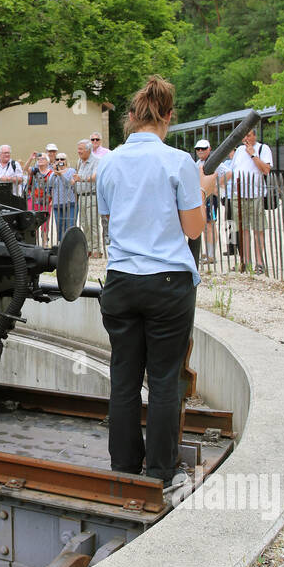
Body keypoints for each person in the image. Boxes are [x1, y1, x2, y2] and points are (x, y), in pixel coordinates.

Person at [95, 75, 205, 495]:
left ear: (131, 117)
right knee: (163, 379)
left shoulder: (109, 163)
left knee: (124, 376)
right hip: (167, 283)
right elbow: (193, 230)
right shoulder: (179, 162)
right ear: (168, 117)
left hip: (121, 280)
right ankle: (160, 470)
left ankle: (123, 465)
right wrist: (203, 191)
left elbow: (112, 217)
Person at [205, 129, 272, 273]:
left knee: (258, 229)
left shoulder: (263, 149)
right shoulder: (239, 151)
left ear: (255, 136)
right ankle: (245, 262)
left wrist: (253, 154)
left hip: (256, 195)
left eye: (249, 135)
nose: (246, 139)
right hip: (238, 195)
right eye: (244, 136)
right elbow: (233, 171)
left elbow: (266, 170)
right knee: (242, 230)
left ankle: (259, 263)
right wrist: (220, 187)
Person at [74, 139, 101, 254]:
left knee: (93, 223)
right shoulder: (79, 162)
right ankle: (88, 248)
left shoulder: (97, 161)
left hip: (92, 196)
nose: (78, 151)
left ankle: (96, 249)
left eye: (81, 149)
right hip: (82, 196)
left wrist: (81, 179)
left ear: (88, 150)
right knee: (84, 223)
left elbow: (95, 176)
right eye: (78, 149)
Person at [45, 149, 78, 243]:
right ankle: (61, 243)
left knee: (70, 224)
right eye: (57, 159)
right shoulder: (53, 173)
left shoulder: (71, 171)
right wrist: (55, 173)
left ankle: (70, 243)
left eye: (62, 159)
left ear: (66, 160)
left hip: (70, 202)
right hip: (57, 203)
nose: (60, 161)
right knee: (59, 225)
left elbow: (68, 184)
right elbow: (50, 185)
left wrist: (60, 174)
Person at [194, 139, 217, 266]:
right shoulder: (198, 163)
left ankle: (211, 254)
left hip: (210, 197)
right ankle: (208, 252)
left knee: (210, 224)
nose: (200, 151)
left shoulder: (214, 161)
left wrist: (215, 187)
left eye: (203, 148)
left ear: (209, 149)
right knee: (204, 224)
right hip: (202, 196)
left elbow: (228, 173)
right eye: (198, 149)